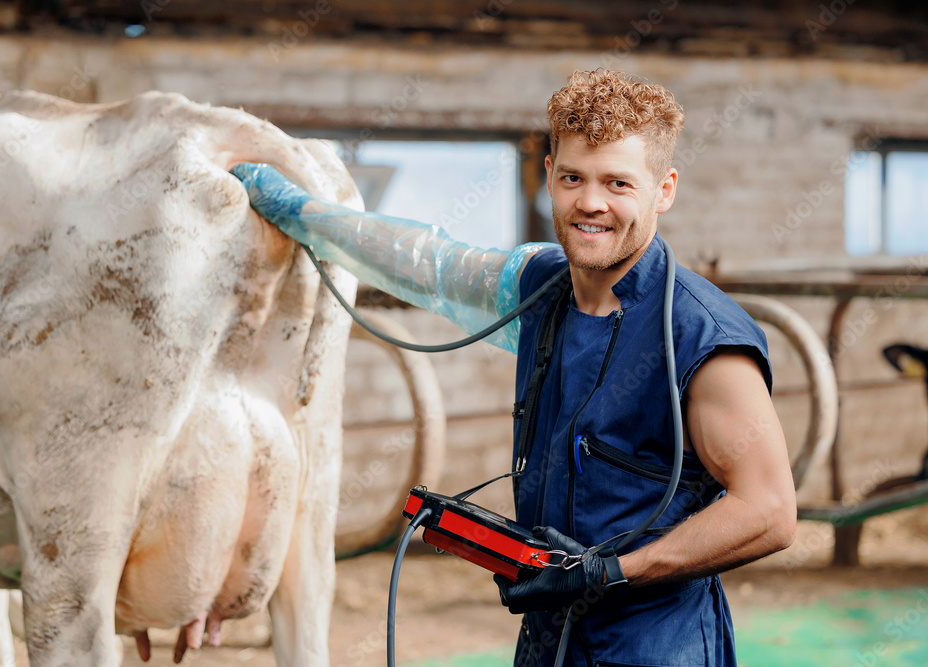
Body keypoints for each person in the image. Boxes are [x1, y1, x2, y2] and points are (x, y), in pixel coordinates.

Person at [233, 69, 797, 667]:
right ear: (549, 175)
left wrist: (606, 573)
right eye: (574, 178)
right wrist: (303, 215)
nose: (591, 203)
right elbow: (429, 264)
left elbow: (768, 511)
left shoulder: (702, 335)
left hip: (655, 647)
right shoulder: (539, 290)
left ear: (664, 190)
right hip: (547, 643)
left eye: (619, 183)